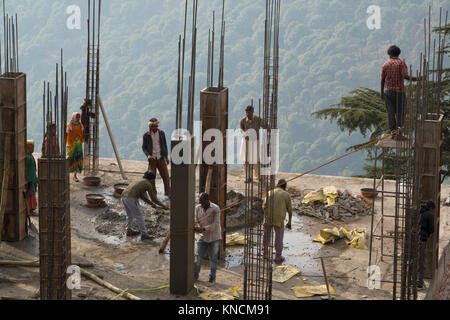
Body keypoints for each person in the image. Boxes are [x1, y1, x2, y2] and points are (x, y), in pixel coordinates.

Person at [380, 45, 422, 139]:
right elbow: (406, 76)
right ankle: (399, 133)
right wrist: (419, 78)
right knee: (400, 112)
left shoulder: (385, 64)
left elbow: (382, 79)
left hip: (388, 92)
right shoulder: (401, 63)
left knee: (390, 112)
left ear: (389, 54)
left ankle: (393, 132)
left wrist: (382, 93)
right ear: (398, 53)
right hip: (399, 92)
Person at [121, 171, 169, 240]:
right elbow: (154, 198)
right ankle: (144, 234)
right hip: (131, 198)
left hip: (123, 196)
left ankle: (128, 230)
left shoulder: (140, 181)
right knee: (140, 216)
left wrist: (152, 204)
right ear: (152, 179)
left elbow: (142, 196)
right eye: (153, 180)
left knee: (129, 215)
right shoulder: (148, 184)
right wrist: (163, 206)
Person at [262, 179, 293, 264]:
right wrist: (289, 222)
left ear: (277, 185)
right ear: (285, 187)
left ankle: (264, 253)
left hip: (268, 217)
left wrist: (265, 217)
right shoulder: (286, 195)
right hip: (279, 219)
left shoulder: (270, 192)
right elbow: (290, 210)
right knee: (279, 238)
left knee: (266, 235)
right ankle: (278, 257)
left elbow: (264, 206)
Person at [194, 193, 222, 283]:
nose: (201, 204)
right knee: (198, 257)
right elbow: (196, 220)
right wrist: (198, 226)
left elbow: (216, 225)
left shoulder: (215, 208)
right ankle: (195, 275)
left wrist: (203, 228)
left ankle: (212, 277)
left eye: (202, 202)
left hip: (214, 237)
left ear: (207, 201)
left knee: (213, 259)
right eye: (200, 202)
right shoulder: (198, 208)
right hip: (203, 237)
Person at [142, 118, 170, 196]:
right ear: (150, 127)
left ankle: (167, 193)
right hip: (152, 160)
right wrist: (148, 155)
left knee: (166, 176)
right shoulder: (146, 135)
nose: (154, 128)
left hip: (161, 158)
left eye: (155, 126)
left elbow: (164, 145)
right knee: (151, 179)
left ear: (157, 126)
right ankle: (153, 194)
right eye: (152, 126)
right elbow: (144, 147)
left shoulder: (161, 133)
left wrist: (166, 157)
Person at [240, 105, 267, 183]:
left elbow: (265, 125)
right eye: (246, 112)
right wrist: (245, 134)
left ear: (252, 112)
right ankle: (249, 177)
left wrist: (269, 129)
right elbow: (241, 130)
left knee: (256, 159)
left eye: (249, 112)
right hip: (246, 142)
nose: (247, 114)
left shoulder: (257, 119)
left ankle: (259, 177)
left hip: (255, 141)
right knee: (246, 160)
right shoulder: (243, 121)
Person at [418, 200, 435, 289]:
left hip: (414, 239)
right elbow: (432, 230)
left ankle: (412, 281)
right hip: (422, 240)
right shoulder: (429, 215)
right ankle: (419, 284)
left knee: (414, 260)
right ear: (431, 208)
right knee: (422, 262)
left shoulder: (418, 212)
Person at [67, 112, 84, 182]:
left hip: (78, 145)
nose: (78, 119)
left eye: (79, 117)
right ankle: (67, 174)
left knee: (77, 160)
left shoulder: (80, 125)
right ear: (73, 117)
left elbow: (81, 133)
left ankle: (75, 176)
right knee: (70, 159)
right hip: (71, 145)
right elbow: (67, 133)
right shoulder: (69, 125)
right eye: (76, 117)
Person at [25, 140, 38, 216]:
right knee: (29, 194)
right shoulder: (28, 157)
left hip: (32, 178)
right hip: (29, 179)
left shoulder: (30, 156)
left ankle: (31, 209)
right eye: (31, 147)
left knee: (31, 193)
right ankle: (29, 210)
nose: (33, 149)